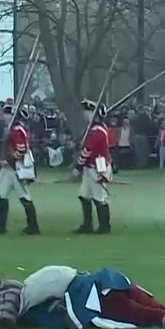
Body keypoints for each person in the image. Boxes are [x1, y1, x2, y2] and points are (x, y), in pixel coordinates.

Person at [0, 265, 165, 329]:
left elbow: (69, 321)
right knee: (161, 307)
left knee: (154, 318)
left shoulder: (33, 307)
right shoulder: (38, 278)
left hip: (96, 298)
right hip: (110, 278)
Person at [0, 103, 40, 235]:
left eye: (6, 114)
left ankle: (33, 226)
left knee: (24, 196)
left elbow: (21, 149)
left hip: (16, 168)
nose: (4, 116)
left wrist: (8, 159)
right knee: (0, 193)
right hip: (9, 168)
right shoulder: (10, 129)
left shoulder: (16, 130)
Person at [73, 100, 113, 234]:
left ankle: (105, 226)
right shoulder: (91, 129)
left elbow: (87, 151)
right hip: (89, 168)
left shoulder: (97, 131)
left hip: (97, 167)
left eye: (88, 112)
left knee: (99, 197)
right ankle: (87, 225)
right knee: (84, 195)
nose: (85, 114)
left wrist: (77, 167)